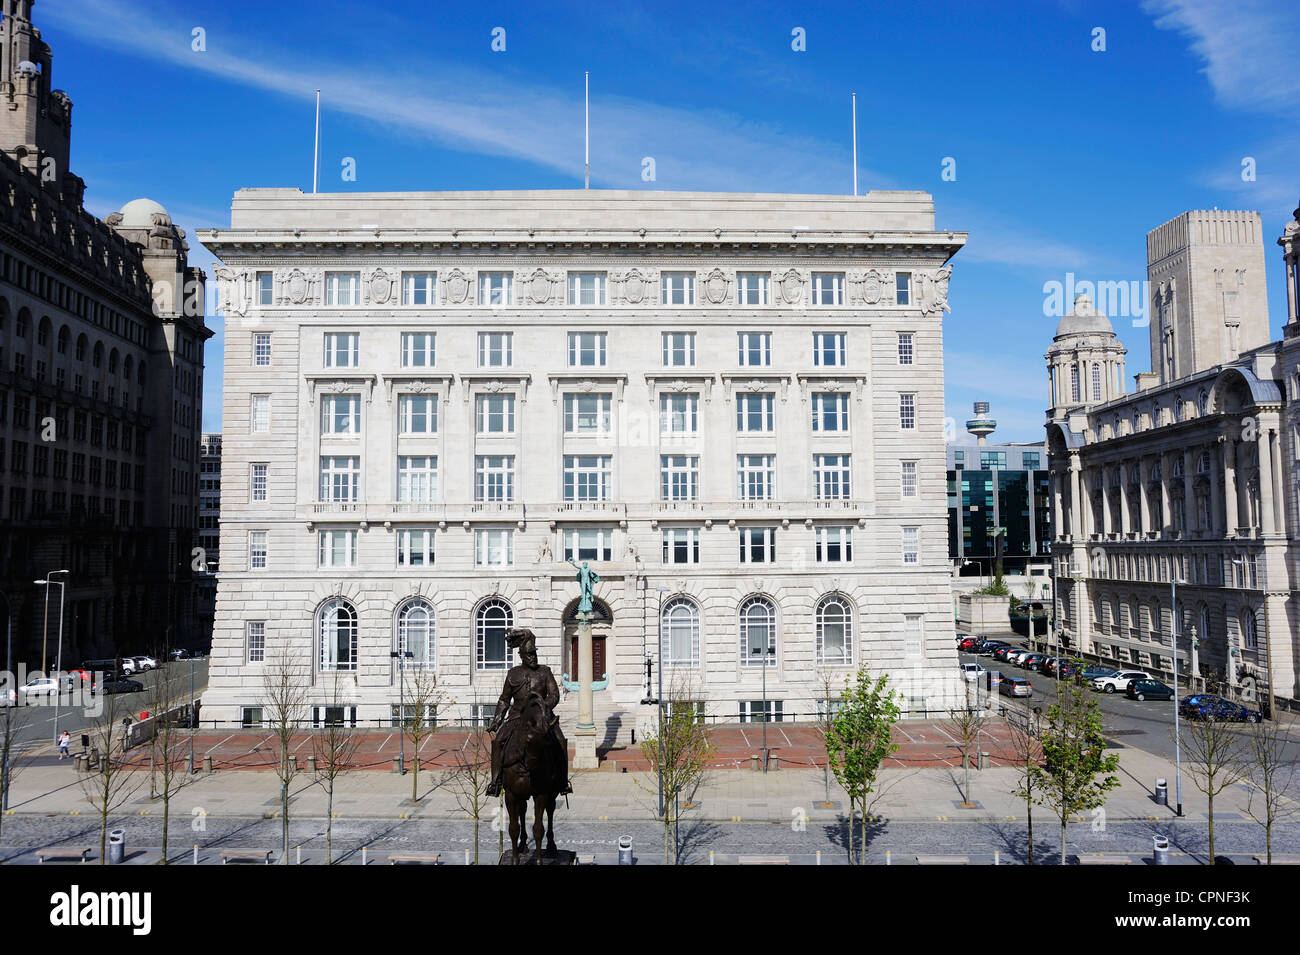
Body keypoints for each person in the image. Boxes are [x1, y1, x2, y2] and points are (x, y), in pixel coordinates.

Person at [485, 629, 571, 798]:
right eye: (529, 655)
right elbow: (504, 699)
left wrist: (541, 707)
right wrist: (497, 719)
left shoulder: (544, 672)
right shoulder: (513, 673)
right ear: (522, 656)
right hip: (516, 717)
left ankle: (562, 781)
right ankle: (495, 782)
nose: (533, 657)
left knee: (560, 741)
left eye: (534, 654)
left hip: (542, 718)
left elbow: (554, 695)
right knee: (498, 742)